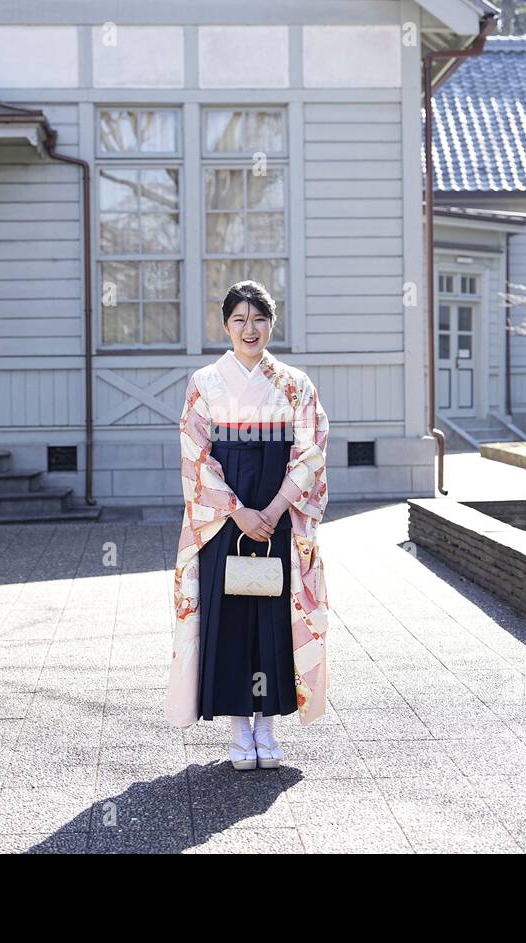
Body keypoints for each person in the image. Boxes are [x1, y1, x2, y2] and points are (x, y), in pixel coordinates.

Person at [166, 280, 331, 771]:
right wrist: (237, 511)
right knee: (232, 621)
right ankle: (240, 730)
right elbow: (196, 453)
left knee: (276, 618)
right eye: (239, 319)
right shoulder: (205, 381)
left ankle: (268, 728)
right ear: (225, 326)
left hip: (279, 512)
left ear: (271, 323)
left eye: (258, 319)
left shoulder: (296, 384)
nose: (249, 328)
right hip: (224, 518)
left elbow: (311, 450)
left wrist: (277, 509)